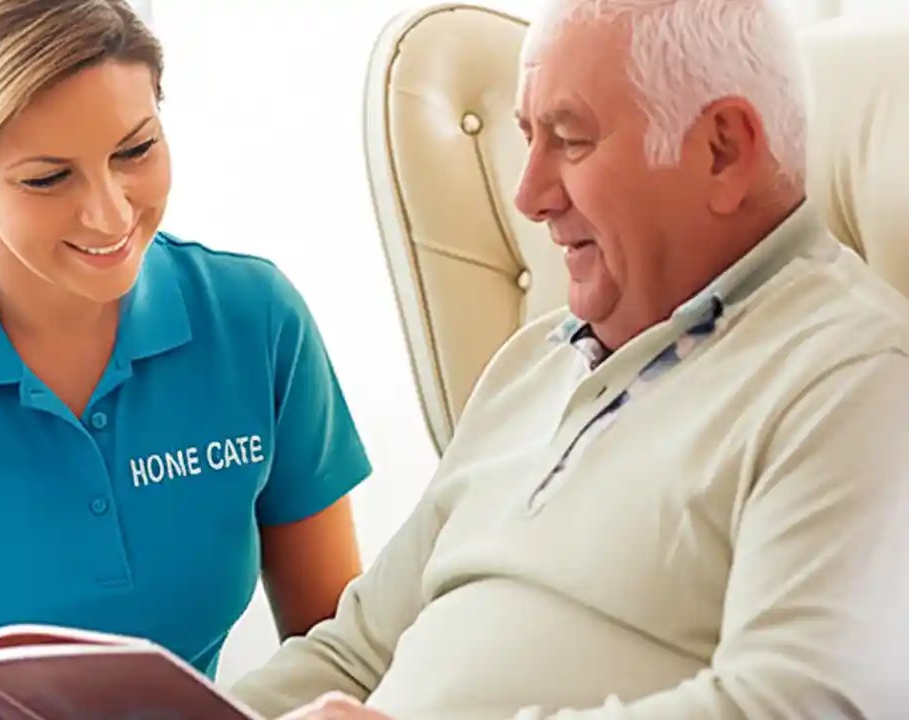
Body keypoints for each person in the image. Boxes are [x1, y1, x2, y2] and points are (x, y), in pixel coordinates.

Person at [221, 0, 909, 717]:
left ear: (723, 150)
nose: (529, 196)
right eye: (528, 138)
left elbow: (799, 703)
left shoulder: (853, 379)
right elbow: (355, 651)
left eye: (570, 140)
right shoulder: (532, 363)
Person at [0, 1, 372, 719]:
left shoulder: (255, 321)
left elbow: (340, 650)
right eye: (47, 178)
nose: (111, 215)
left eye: (135, 151)